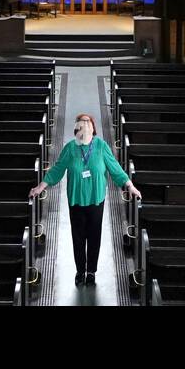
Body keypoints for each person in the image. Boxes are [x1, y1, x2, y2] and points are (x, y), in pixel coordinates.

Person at [29, 112, 141, 286]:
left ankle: (91, 272)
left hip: (96, 200)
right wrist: (41, 186)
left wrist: (130, 186)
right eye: (79, 123)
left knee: (94, 237)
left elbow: (115, 168)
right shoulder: (70, 148)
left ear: (92, 127)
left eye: (86, 123)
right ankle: (80, 271)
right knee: (78, 237)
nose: (82, 126)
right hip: (76, 200)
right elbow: (57, 169)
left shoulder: (101, 146)